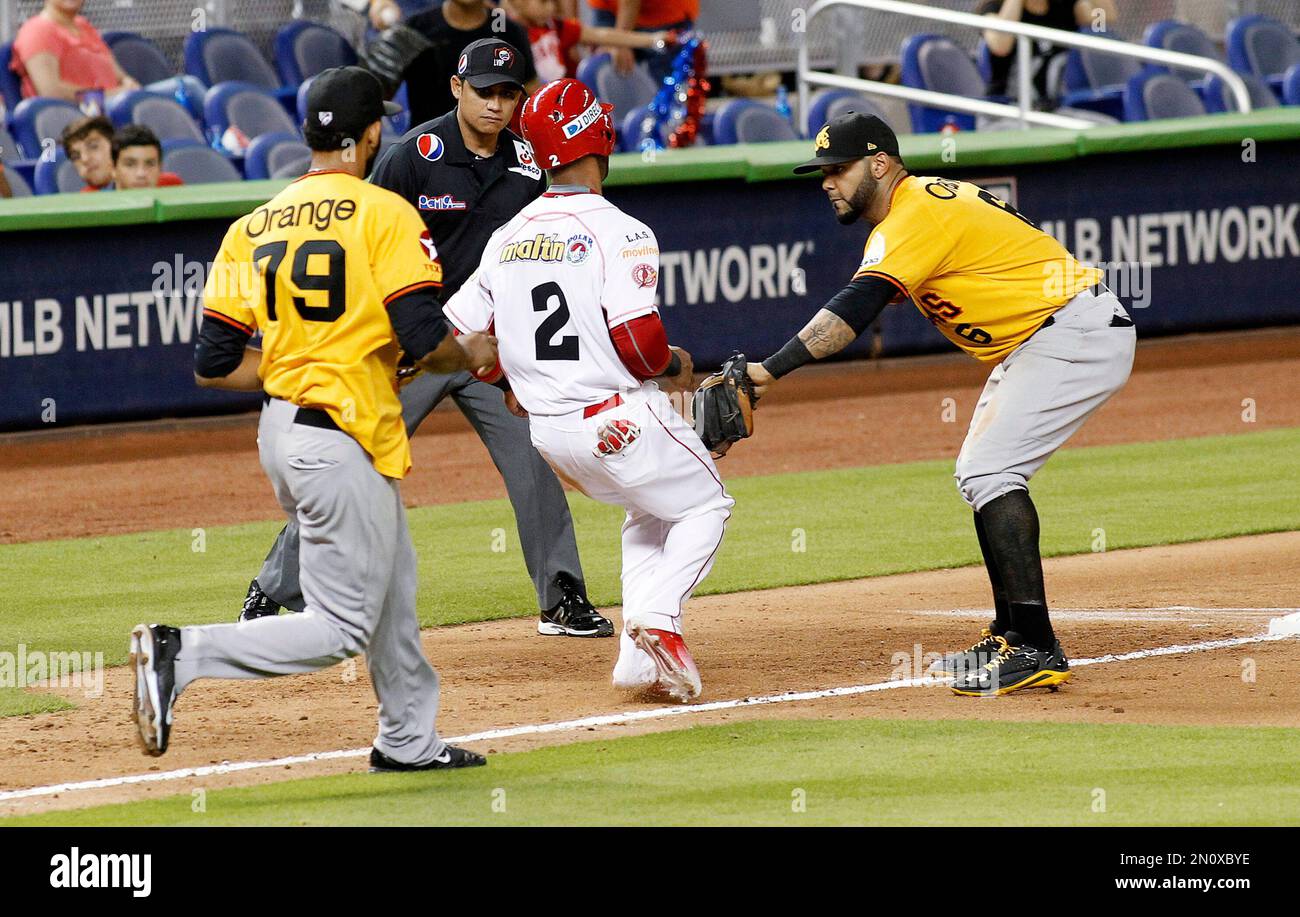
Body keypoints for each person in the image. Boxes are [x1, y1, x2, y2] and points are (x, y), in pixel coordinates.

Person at [131, 66, 497, 772]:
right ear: (370, 136)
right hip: (337, 436)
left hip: (286, 428)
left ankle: (408, 739)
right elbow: (424, 337)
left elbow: (213, 362)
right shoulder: (385, 212)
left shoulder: (252, 224)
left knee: (395, 580)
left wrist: (302, 365)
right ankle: (185, 651)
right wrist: (470, 351)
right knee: (340, 628)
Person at [746, 112, 1135, 696]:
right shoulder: (922, 207)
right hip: (1047, 334)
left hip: (1074, 330)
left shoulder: (914, 211)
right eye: (822, 171)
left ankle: (1036, 645)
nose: (827, 181)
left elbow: (855, 309)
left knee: (991, 470)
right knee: (978, 475)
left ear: (880, 164)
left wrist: (766, 371)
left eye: (838, 168)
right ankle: (1011, 633)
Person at [243, 39, 614, 640]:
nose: (496, 104)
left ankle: (562, 596)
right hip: (414, 342)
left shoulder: (530, 158)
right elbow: (363, 239)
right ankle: (273, 586)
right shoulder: (414, 154)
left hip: (494, 348)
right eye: (484, 91)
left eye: (508, 93)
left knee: (534, 462)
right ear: (456, 89)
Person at [443, 77, 730, 702]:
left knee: (649, 512)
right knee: (707, 507)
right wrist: (679, 362)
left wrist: (506, 382)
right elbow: (640, 346)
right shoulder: (622, 229)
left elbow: (457, 337)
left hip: (548, 432)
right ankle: (658, 618)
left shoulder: (507, 236)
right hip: (615, 416)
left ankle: (635, 659)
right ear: (595, 138)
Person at [401, 0, 539, 126]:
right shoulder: (415, 27)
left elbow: (533, 96)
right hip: (425, 144)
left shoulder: (509, 30)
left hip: (493, 145)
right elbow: (385, 91)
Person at [978, 0, 1120, 101]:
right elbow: (1001, 46)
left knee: (1104, 127)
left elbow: (1101, 23)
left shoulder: (1065, 7)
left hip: (1054, 107)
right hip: (1007, 111)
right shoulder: (993, 9)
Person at [504, 0, 675, 83]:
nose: (551, 7)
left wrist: (652, 39)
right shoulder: (509, 35)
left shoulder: (556, 27)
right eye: (544, 1)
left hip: (559, 104)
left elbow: (602, 35)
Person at [10, 0, 140, 102]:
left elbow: (120, 75)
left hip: (116, 106)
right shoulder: (38, 30)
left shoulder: (83, 25)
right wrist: (112, 95)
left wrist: (129, 85)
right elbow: (51, 91)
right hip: (78, 119)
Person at [586, 0, 698, 78]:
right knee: (599, 68)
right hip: (607, 9)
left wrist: (621, 42)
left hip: (662, 14)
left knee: (666, 94)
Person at [104, 124, 183, 190]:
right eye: (130, 164)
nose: (141, 174)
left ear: (160, 168)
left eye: (150, 164)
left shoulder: (175, 192)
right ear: (113, 169)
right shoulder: (94, 206)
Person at [61, 115, 114, 191]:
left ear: (115, 146)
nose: (85, 159)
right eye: (76, 156)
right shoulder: (83, 201)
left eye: (93, 147)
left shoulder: (135, 185)